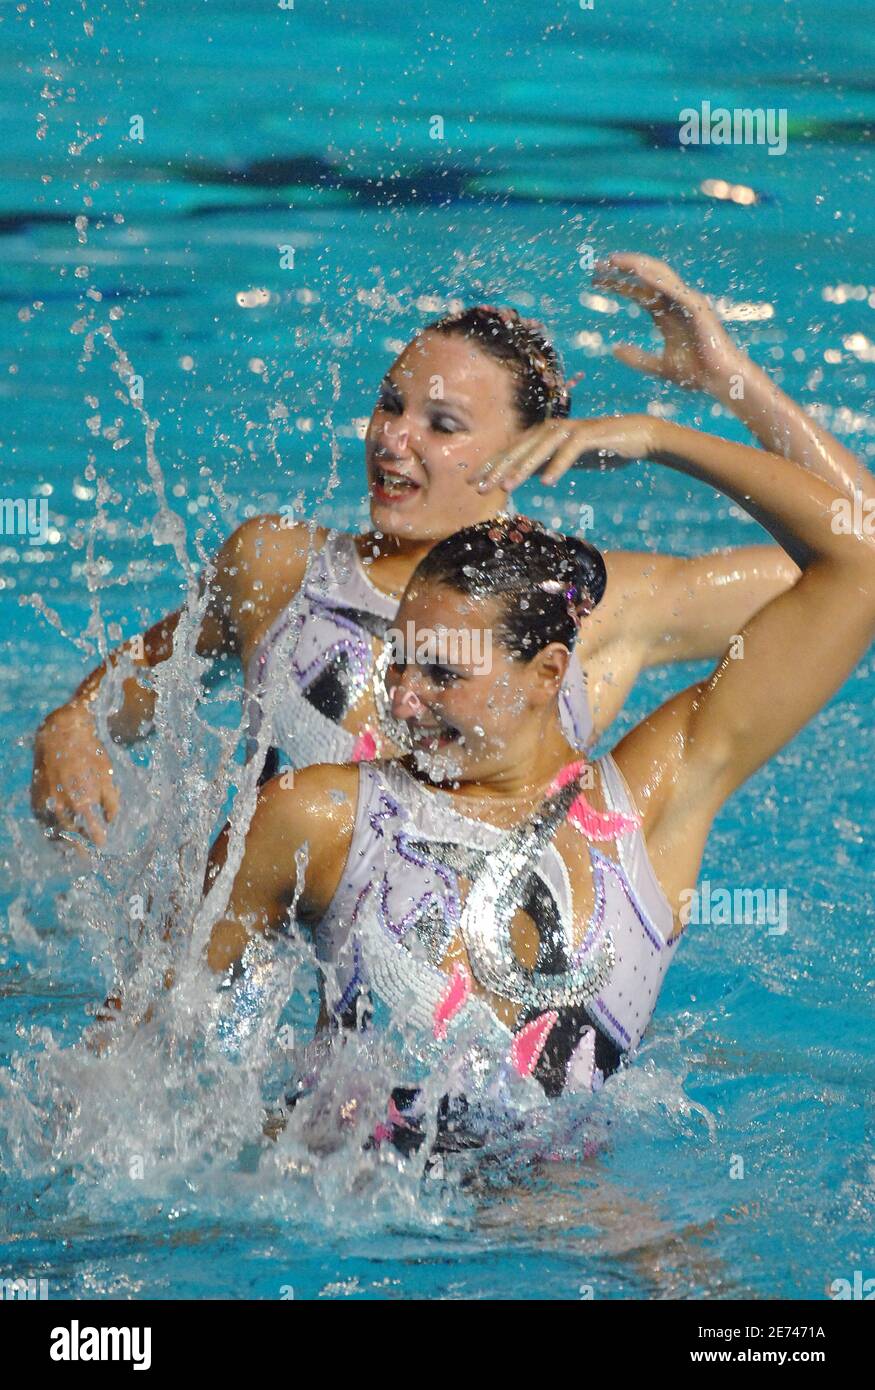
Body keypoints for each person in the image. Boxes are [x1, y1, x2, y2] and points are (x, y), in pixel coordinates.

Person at [200, 416, 874, 1152]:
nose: (399, 700)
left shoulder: (648, 811)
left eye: (441, 674)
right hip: (343, 1227)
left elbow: (859, 558)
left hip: (566, 1232)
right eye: (398, 661)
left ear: (548, 672)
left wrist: (662, 437)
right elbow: (144, 1049)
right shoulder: (319, 815)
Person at [31, 254, 869, 844]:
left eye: (441, 426)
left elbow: (860, 553)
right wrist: (68, 728)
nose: (393, 440)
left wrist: (728, 382)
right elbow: (127, 694)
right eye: (390, 405)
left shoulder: (599, 608)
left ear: (528, 452)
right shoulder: (276, 565)